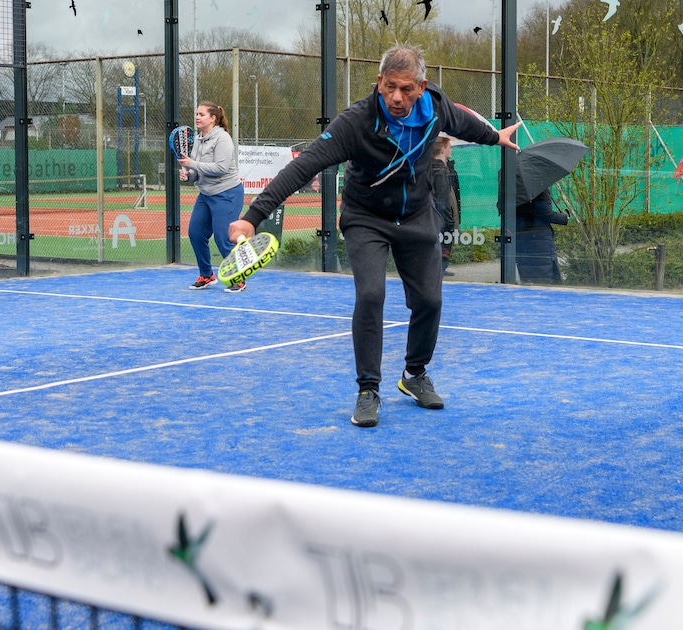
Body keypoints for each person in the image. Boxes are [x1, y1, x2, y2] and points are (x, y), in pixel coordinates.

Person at [227, 44, 520, 428]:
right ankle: (368, 389)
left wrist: (494, 136)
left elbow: (464, 121)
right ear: (379, 82)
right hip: (365, 216)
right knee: (370, 294)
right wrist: (253, 217)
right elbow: (305, 167)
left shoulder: (435, 107)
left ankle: (414, 375)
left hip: (415, 215)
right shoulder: (355, 122)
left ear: (421, 86)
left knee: (430, 300)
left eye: (406, 89)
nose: (397, 97)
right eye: (389, 87)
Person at [179, 102, 247, 292]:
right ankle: (207, 275)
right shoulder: (198, 140)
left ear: (213, 118)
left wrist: (192, 163)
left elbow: (220, 168)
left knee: (223, 238)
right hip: (206, 194)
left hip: (227, 193)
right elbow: (197, 171)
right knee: (195, 233)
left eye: (201, 114)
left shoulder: (223, 139)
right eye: (196, 114)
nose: (197, 117)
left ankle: (239, 278)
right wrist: (189, 175)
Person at [515, 190, 567, 283]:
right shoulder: (539, 186)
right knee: (545, 282)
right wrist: (564, 218)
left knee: (527, 281)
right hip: (540, 242)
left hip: (521, 238)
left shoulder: (512, 185)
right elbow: (545, 213)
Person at [430, 134, 461, 277]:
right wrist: (450, 223)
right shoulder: (439, 171)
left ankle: (438, 267)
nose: (452, 150)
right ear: (442, 149)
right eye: (449, 147)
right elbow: (442, 200)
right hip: (440, 220)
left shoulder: (431, 168)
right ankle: (439, 267)